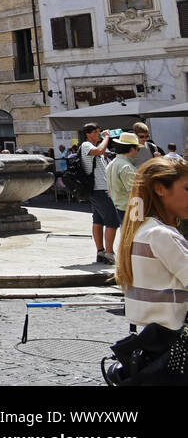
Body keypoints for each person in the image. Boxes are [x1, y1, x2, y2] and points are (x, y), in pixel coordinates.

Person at [115, 156, 188, 332]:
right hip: (174, 337)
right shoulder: (162, 235)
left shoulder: (139, 231)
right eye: (187, 188)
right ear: (160, 189)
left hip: (152, 339)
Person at [81, 122, 118, 264]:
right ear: (88, 134)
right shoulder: (86, 145)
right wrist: (107, 138)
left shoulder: (94, 147)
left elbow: (102, 152)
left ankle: (101, 252)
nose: (99, 134)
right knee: (113, 221)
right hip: (98, 189)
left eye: (100, 132)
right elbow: (99, 151)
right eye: (96, 132)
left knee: (98, 220)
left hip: (99, 188)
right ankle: (109, 253)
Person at [107, 131, 148, 224]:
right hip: (132, 209)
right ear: (132, 149)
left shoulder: (112, 163)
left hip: (120, 207)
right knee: (136, 237)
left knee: (127, 236)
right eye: (138, 149)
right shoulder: (126, 167)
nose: (138, 152)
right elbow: (136, 193)